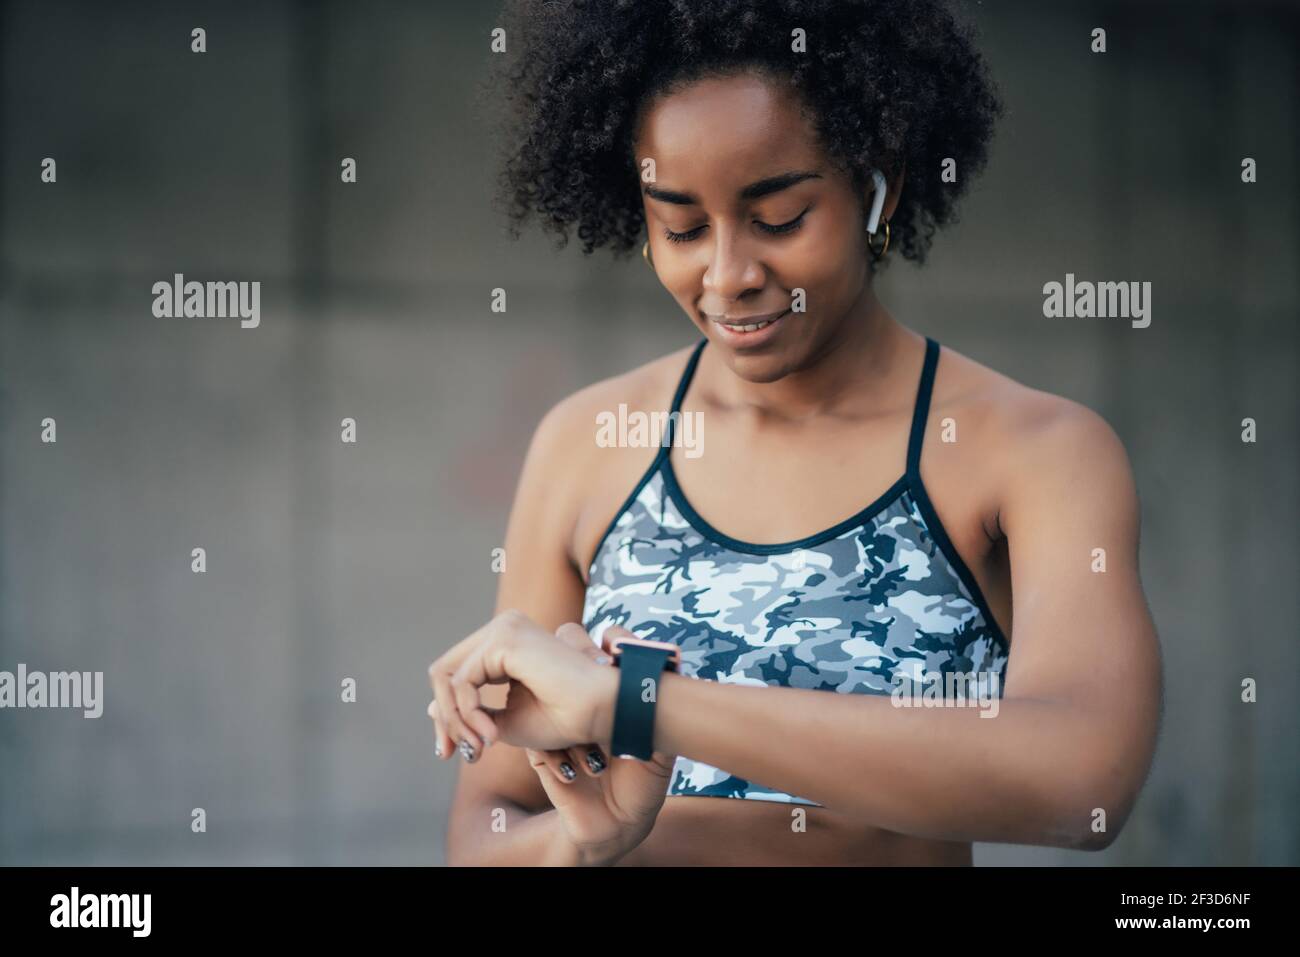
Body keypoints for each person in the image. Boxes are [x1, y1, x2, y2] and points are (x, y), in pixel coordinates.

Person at [428, 0, 1161, 866]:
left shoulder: (1034, 451)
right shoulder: (589, 442)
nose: (729, 274)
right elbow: (485, 830)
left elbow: (1083, 782)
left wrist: (637, 704)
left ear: (876, 182)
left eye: (779, 217)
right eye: (682, 227)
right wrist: (584, 842)